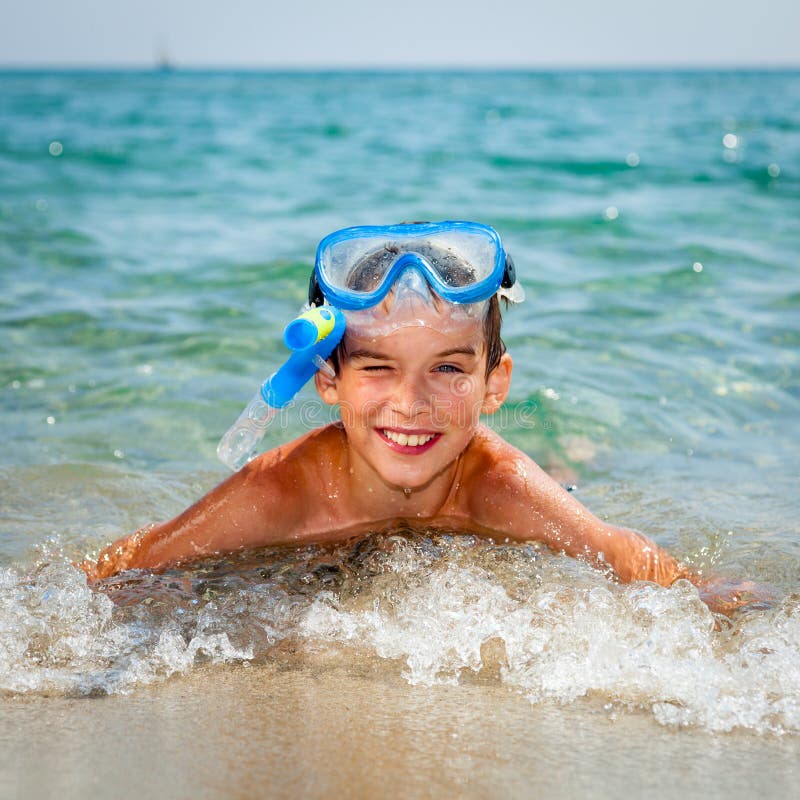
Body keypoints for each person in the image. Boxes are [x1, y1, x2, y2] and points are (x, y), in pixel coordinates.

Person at [81, 221, 773, 615]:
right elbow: (138, 560)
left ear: (494, 384)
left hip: (497, 490)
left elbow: (630, 557)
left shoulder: (497, 485)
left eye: (446, 369)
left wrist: (724, 598)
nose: (410, 404)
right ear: (328, 379)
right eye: (378, 367)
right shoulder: (285, 490)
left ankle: (572, 458)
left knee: (565, 478)